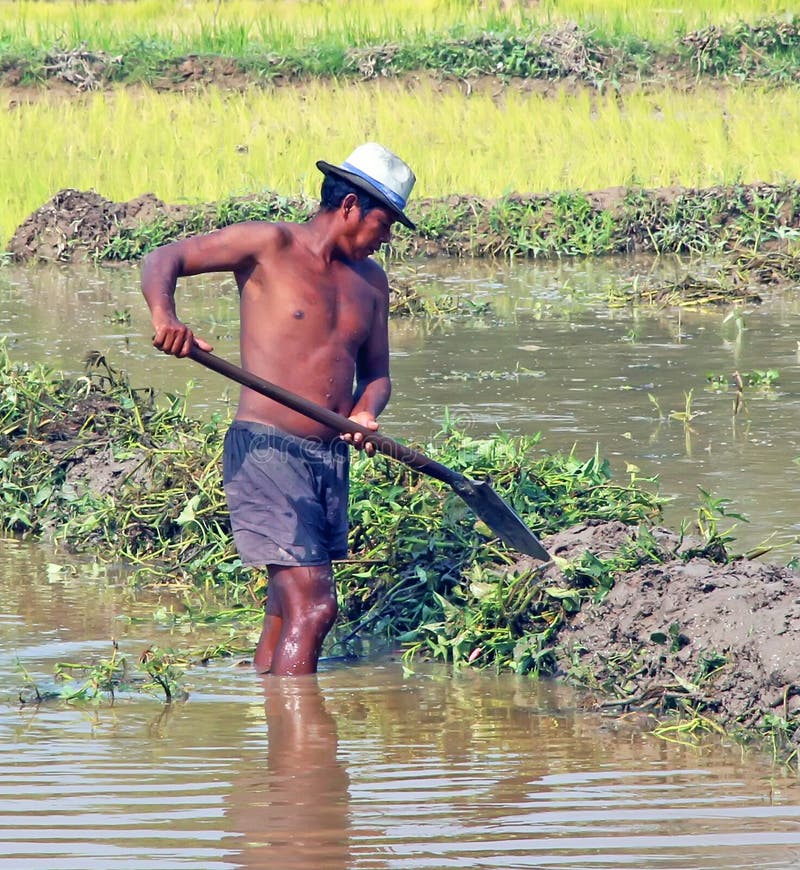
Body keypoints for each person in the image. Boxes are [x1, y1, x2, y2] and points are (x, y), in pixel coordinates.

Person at [141, 142, 416, 676]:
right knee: (317, 607)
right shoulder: (269, 244)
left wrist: (364, 412)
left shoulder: (372, 283)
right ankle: (304, 753)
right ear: (351, 206)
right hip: (267, 451)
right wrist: (165, 317)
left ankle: (269, 704)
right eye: (385, 223)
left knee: (285, 608)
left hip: (328, 458)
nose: (387, 237)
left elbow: (378, 375)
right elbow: (164, 257)